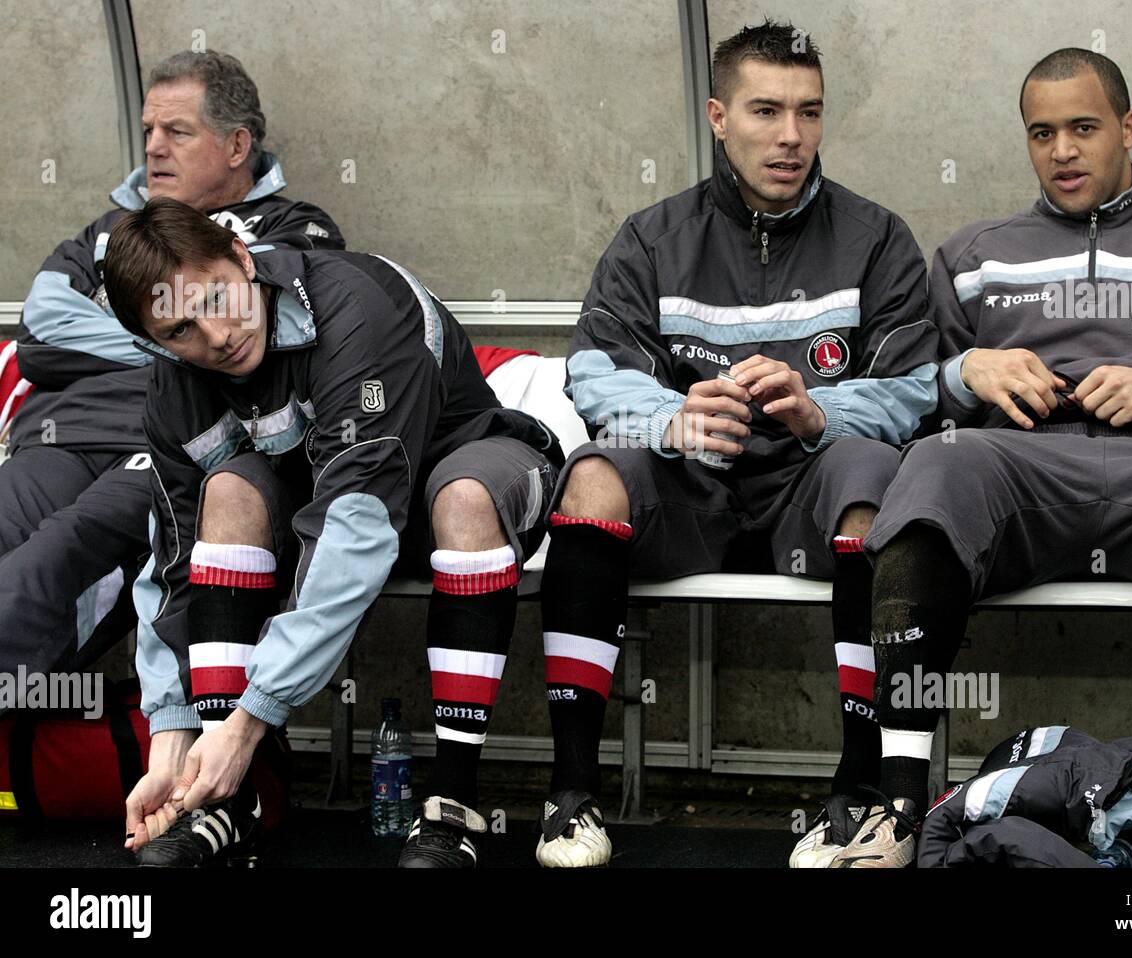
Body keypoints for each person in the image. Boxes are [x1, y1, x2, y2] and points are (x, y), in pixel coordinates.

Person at [860, 48, 1132, 867]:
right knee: (935, 469)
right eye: (1042, 132)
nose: (1062, 149)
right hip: (1027, 479)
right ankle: (897, 806)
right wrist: (967, 371)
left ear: (1127, 129)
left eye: (1084, 127)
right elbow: (894, 393)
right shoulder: (972, 258)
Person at [534, 20, 938, 868]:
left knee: (874, 475)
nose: (789, 137)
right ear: (719, 117)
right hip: (694, 489)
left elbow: (912, 389)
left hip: (809, 487)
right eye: (765, 111)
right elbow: (593, 378)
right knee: (595, 477)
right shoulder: (652, 238)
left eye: (808, 112)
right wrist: (672, 417)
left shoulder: (877, 239)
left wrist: (817, 413)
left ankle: (857, 793)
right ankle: (570, 798)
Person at [101, 198, 563, 867]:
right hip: (328, 515)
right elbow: (171, 557)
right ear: (154, 341)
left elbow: (356, 530)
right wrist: (169, 730)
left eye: (218, 297)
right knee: (225, 491)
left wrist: (254, 716)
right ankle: (225, 801)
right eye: (180, 330)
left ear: (240, 258)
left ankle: (454, 804)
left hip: (462, 473)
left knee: (462, 499)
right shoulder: (175, 387)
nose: (216, 335)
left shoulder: (354, 309)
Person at [1, 50, 343, 683]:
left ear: (237, 144)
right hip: (60, 436)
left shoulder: (294, 232)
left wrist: (141, 326)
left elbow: (252, 337)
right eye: (149, 130)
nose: (153, 149)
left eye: (177, 132)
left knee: (52, 556)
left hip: (167, 446)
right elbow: (41, 338)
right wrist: (166, 333)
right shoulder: (104, 232)